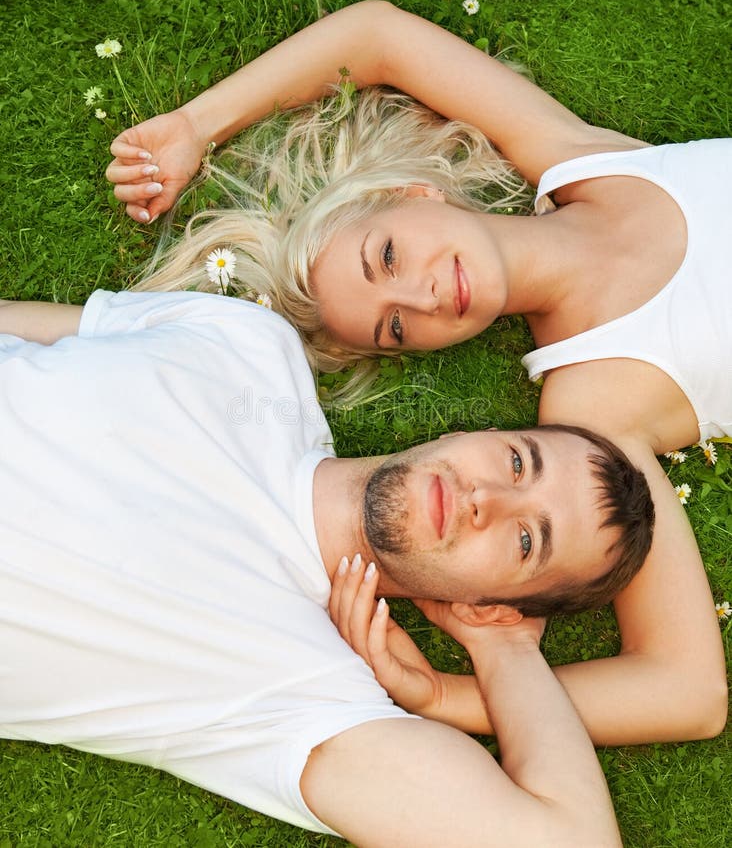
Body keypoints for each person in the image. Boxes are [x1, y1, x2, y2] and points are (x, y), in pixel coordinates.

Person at [107, 0, 728, 744]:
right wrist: (444, 696)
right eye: (396, 326)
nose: (422, 294)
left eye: (388, 256)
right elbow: (687, 691)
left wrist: (195, 126)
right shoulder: (595, 409)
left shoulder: (588, 160)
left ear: (416, 195)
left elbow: (376, 36)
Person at [0, 291, 647, 845]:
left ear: (489, 603)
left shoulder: (308, 697)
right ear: (473, 434)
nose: (489, 502)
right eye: (515, 463)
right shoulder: (252, 347)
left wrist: (506, 652)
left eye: (527, 541)